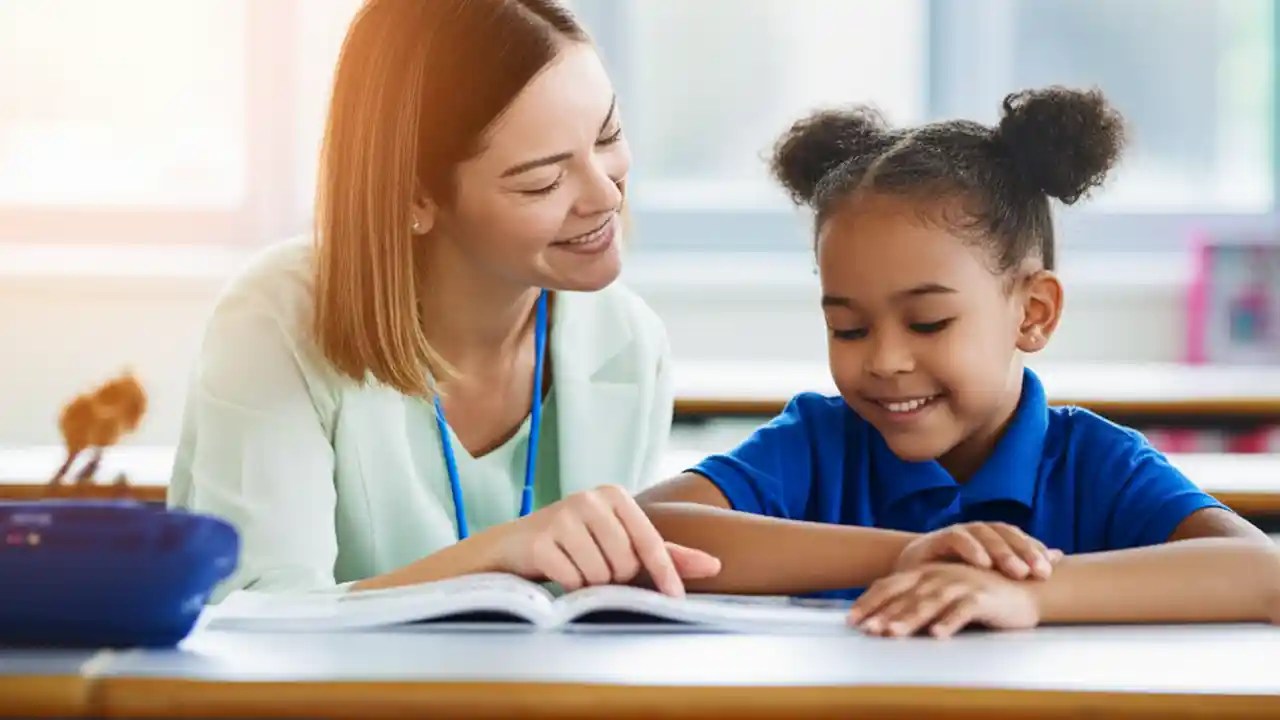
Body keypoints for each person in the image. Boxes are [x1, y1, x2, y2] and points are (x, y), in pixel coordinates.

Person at [638, 87, 1280, 636]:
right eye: (849, 328)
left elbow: (1264, 574)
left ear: (1033, 312)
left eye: (928, 323)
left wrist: (1028, 592)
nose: (885, 359)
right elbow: (643, 534)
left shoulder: (1095, 463)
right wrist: (908, 555)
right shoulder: (817, 445)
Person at [168, 0, 719, 601]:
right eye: (542, 180)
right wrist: (496, 556)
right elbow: (257, 619)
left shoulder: (628, 340)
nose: (604, 194)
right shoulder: (274, 321)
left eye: (608, 136)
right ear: (415, 199)